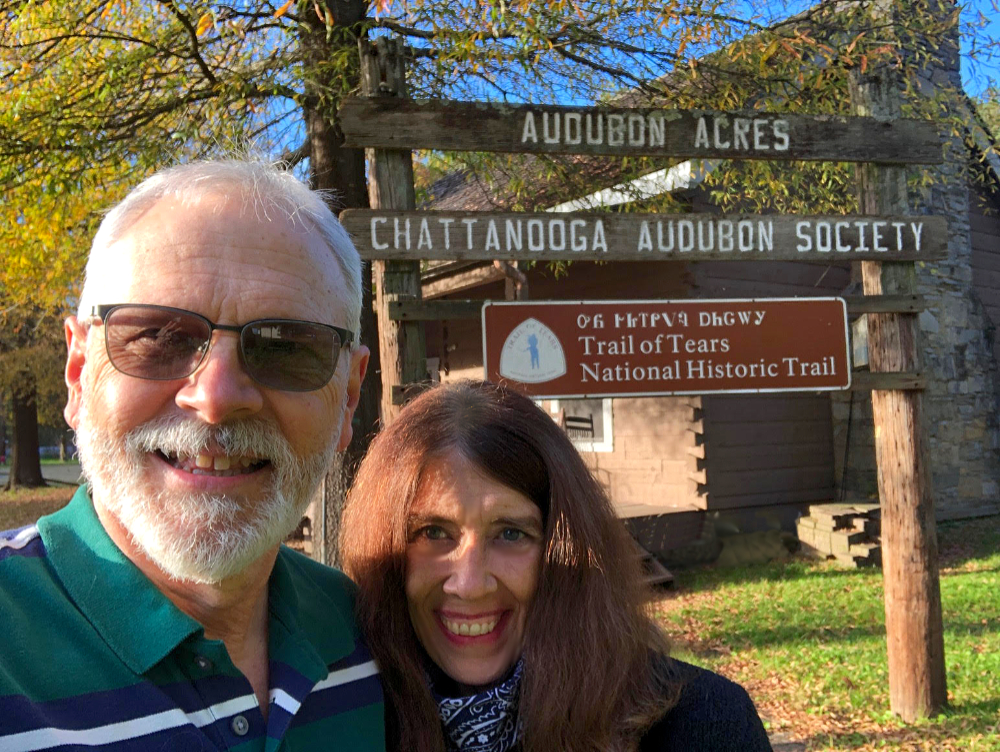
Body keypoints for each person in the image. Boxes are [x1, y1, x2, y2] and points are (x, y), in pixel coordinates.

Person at [0, 160, 384, 750]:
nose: (216, 397)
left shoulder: (375, 640)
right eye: (157, 337)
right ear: (78, 374)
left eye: (285, 348)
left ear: (349, 396)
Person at [339, 380, 772, 752]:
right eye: (434, 533)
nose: (469, 584)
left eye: (510, 533)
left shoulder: (704, 724)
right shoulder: (337, 722)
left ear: (566, 550)